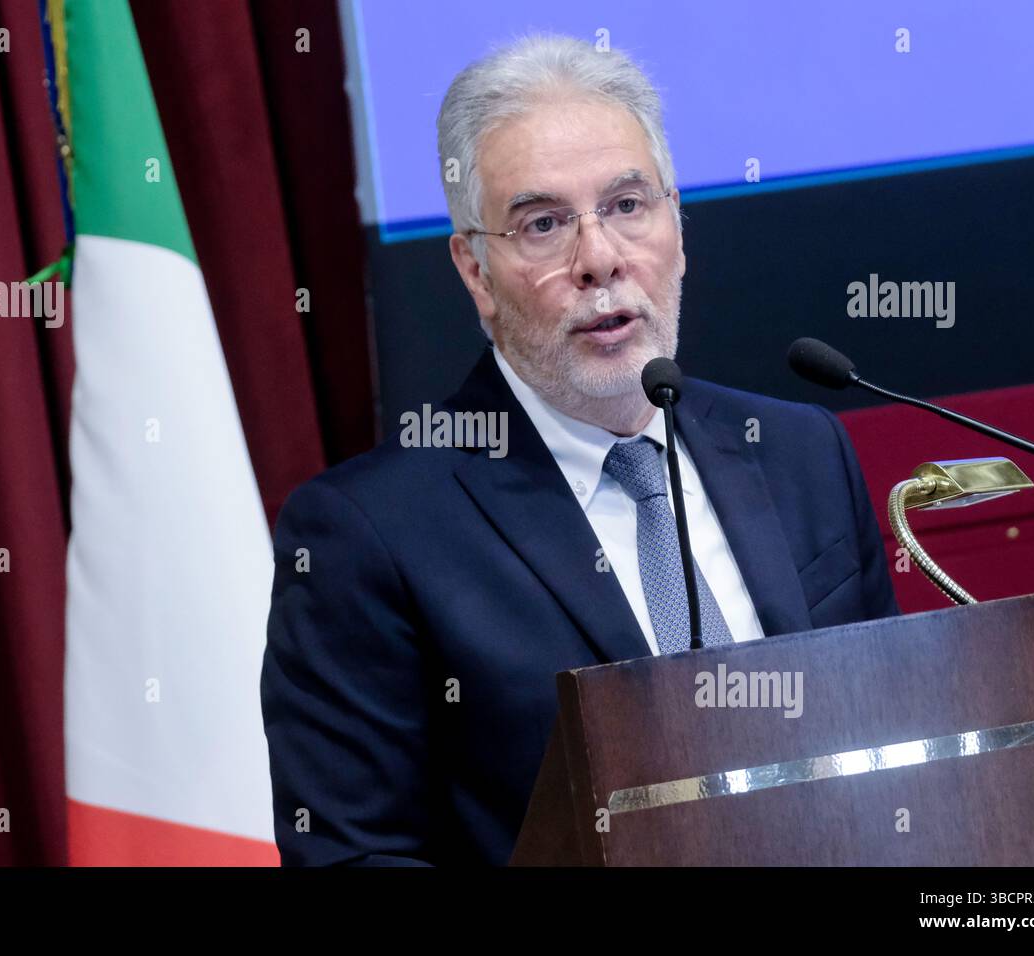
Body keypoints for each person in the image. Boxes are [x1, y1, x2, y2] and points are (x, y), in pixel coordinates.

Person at [260, 34, 899, 866]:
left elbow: (897, 752)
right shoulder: (366, 535)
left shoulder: (799, 452)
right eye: (543, 224)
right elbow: (351, 857)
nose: (598, 259)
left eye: (628, 206)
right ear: (477, 272)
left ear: (679, 222)